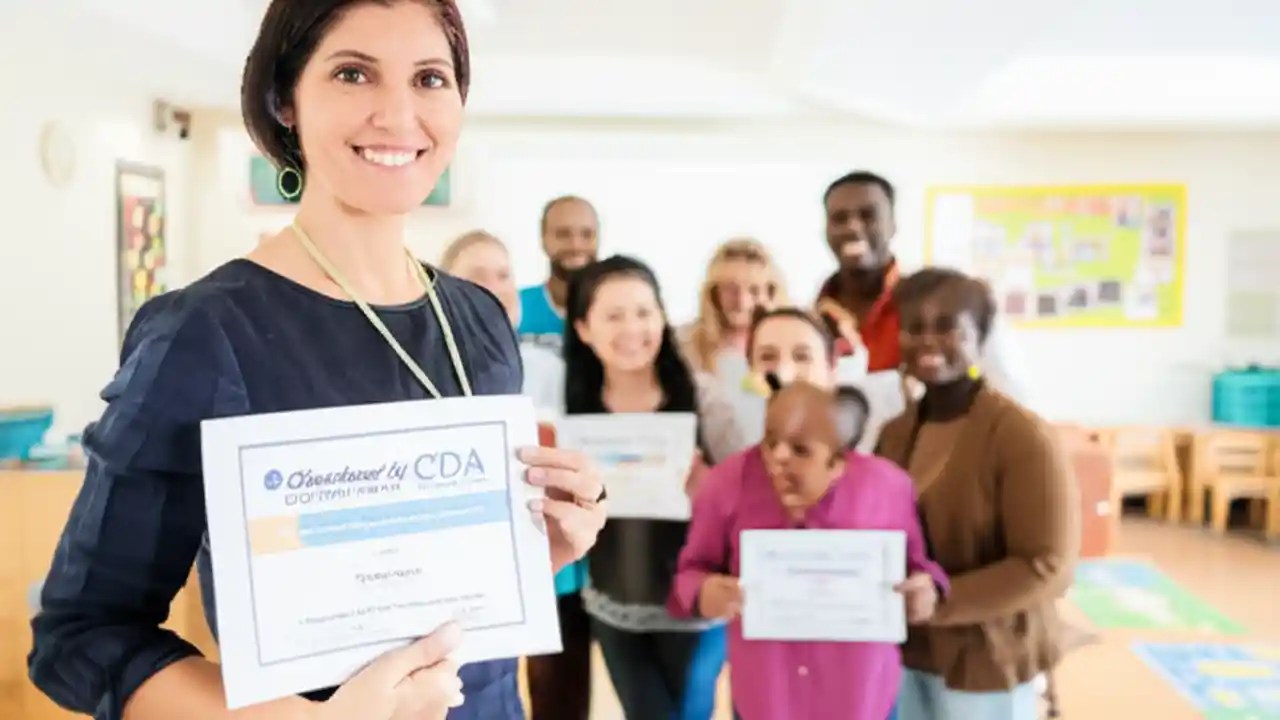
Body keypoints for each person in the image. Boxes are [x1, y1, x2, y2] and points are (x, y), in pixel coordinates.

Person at [27, 3, 606, 720]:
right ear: (285, 100)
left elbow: (449, 606)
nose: (398, 115)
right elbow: (82, 639)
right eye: (354, 73)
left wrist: (533, 551)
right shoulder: (204, 334)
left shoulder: (480, 321)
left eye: (429, 77)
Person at [668, 373, 948, 720]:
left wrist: (927, 590)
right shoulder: (728, 482)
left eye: (800, 449)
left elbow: (921, 566)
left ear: (837, 461)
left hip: (863, 698)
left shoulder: (887, 487)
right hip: (765, 697)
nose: (778, 459)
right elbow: (690, 574)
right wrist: (704, 592)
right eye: (771, 443)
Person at [874, 268, 1079, 720]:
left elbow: (1048, 566)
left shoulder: (1021, 435)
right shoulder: (893, 434)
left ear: (980, 336)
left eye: (948, 326)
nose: (928, 341)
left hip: (988, 661)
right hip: (905, 656)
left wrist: (943, 599)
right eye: (914, 328)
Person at [564, 255, 746, 720]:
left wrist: (712, 490)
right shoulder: (572, 405)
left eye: (644, 312)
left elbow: (749, 498)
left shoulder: (704, 398)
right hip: (613, 604)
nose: (632, 328)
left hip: (694, 607)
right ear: (584, 329)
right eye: (614, 315)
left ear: (663, 318)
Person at [815, 171, 1032, 405]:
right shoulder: (812, 318)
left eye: (868, 216)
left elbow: (1010, 395)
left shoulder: (948, 302)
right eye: (839, 218)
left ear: (893, 225)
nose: (853, 228)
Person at [439, 230, 563, 413]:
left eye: (503, 276)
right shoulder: (426, 370)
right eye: (477, 276)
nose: (494, 289)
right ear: (442, 288)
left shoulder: (547, 369)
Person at [678, 238, 787, 385]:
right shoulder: (685, 344)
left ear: (770, 293)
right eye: (731, 290)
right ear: (715, 293)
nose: (742, 302)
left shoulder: (791, 344)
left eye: (754, 290)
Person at [516, 195, 600, 352]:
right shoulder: (514, 308)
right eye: (563, 234)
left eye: (587, 234)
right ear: (543, 239)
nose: (576, 245)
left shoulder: (620, 313)